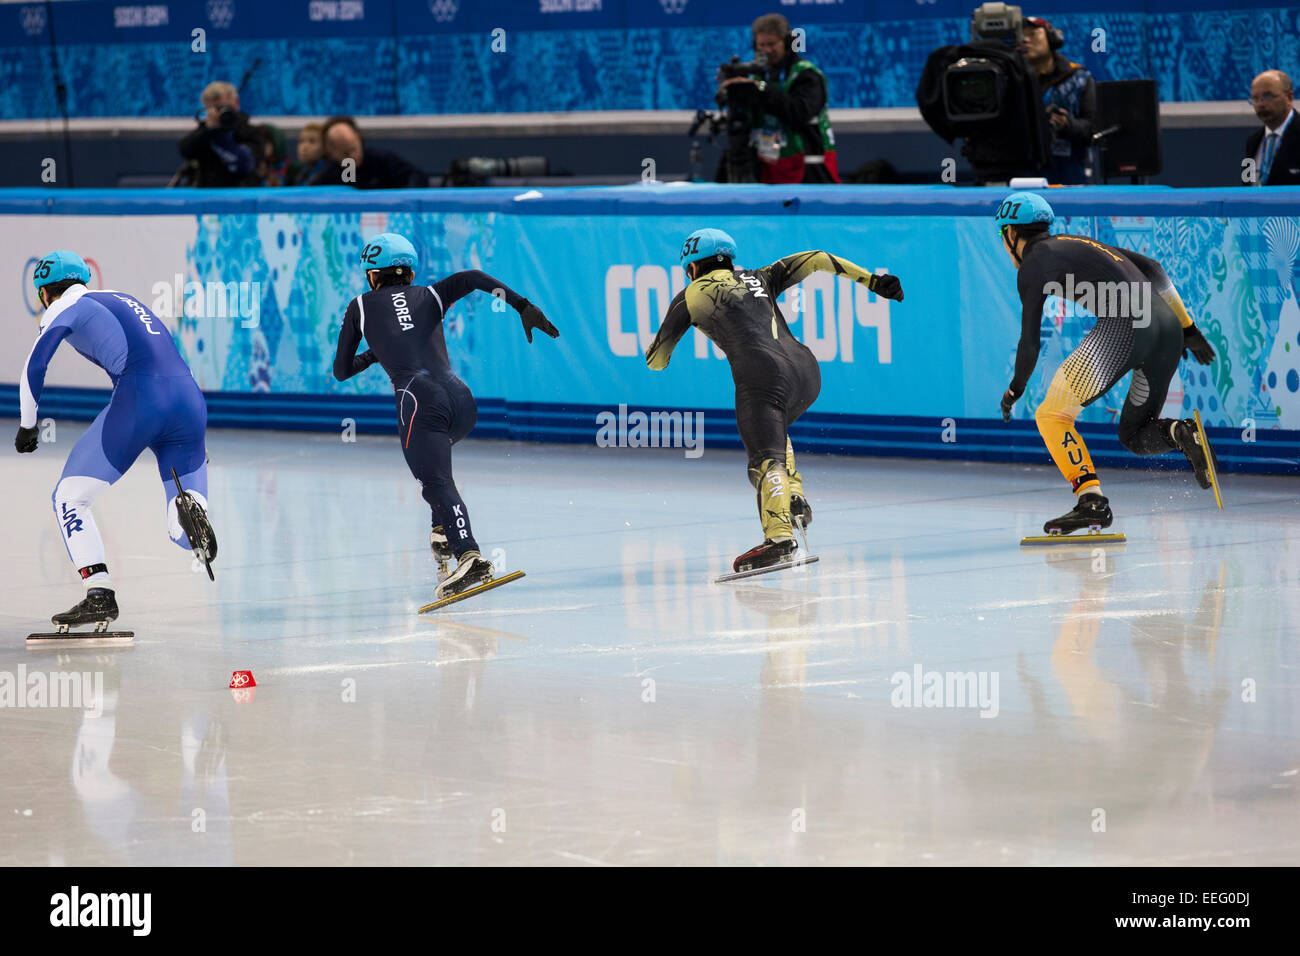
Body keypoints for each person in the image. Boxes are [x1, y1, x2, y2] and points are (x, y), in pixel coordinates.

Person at [645, 229, 904, 572]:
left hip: (762, 379)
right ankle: (793, 496)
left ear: (692, 268)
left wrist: (666, 339)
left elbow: (657, 360)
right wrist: (873, 281)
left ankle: (780, 537)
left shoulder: (690, 295)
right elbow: (817, 258)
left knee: (765, 461)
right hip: (808, 373)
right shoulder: (759, 277)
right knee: (775, 432)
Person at [331, 233, 558, 599]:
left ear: (372, 275)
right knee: (437, 472)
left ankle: (469, 554)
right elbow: (472, 276)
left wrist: (375, 353)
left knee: (436, 480)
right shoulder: (432, 294)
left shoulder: (359, 305)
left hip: (419, 403)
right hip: (462, 403)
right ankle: (442, 529)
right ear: (408, 270)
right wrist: (521, 305)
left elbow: (341, 370)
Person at [994, 193, 1219, 533]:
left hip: (1124, 328)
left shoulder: (1032, 266)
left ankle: (1092, 502)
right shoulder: (1077, 240)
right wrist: (1188, 328)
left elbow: (1030, 343)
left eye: (1001, 237)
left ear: (1012, 234)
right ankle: (1183, 432)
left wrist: (1015, 389)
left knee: (1051, 415)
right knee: (1135, 434)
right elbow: (1154, 269)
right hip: (1167, 324)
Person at [15, 251, 217, 629]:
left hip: (142, 398)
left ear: (45, 292)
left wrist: (28, 425)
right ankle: (192, 517)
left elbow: (34, 366)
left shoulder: (63, 307)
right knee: (179, 520)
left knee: (69, 498)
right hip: (189, 399)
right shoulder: (122, 297)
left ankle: (99, 594)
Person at [717, 13, 840, 184]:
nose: (767, 50)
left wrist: (760, 89)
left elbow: (798, 112)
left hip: (810, 168)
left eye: (772, 44)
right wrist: (730, 92)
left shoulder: (806, 75)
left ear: (787, 43)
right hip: (768, 168)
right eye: (762, 45)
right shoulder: (757, 78)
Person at [1022, 16, 1096, 185]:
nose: (1026, 39)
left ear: (1052, 39)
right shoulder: (1012, 81)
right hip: (1023, 175)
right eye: (1022, 36)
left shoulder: (1079, 78)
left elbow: (1092, 129)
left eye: (1033, 34)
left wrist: (1065, 124)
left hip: (1069, 172)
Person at [176, 81, 264, 188]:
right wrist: (210, 130)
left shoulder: (251, 133)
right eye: (214, 109)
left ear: (236, 103)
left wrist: (224, 135)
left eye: (222, 108)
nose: (218, 114)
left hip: (241, 196)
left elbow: (246, 164)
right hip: (208, 195)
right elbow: (184, 149)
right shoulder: (205, 133)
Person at [309, 117, 426, 189]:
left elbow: (417, 179)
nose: (353, 157)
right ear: (332, 153)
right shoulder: (328, 175)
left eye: (354, 149)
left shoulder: (383, 160)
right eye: (346, 154)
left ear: (358, 137)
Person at [1244, 70, 1299, 186]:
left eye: (1268, 96)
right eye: (1255, 98)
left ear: (1289, 97)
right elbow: (1246, 184)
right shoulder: (1253, 142)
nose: (1261, 104)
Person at [286, 122, 328, 187]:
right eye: (301, 141)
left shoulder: (329, 173)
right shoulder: (300, 171)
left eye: (312, 141)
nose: (304, 147)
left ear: (325, 146)